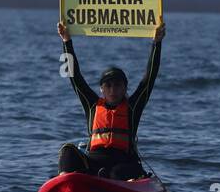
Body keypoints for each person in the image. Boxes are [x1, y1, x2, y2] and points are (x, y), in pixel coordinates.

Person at [56, 18, 165, 180]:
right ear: (102, 89)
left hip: (122, 164)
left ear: (125, 88)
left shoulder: (132, 108)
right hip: (94, 161)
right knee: (67, 150)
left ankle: (104, 178)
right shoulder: (92, 105)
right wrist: (66, 41)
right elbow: (74, 76)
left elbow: (149, 78)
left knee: (115, 173)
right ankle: (67, 182)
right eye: (108, 86)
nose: (113, 90)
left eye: (118, 85)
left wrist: (157, 43)